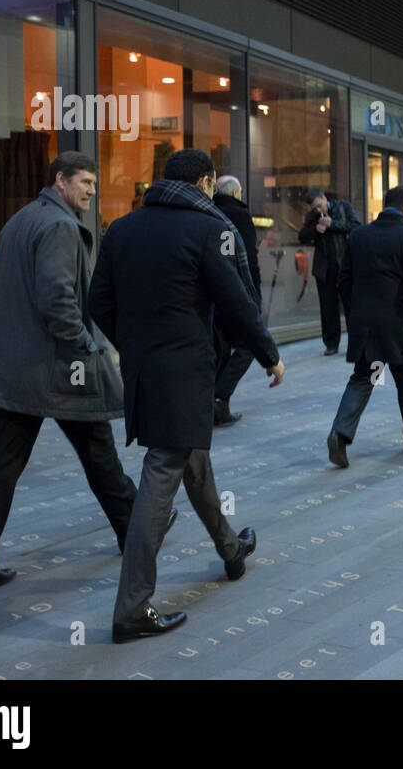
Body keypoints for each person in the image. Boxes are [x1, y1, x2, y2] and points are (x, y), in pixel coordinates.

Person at [91, 149, 285, 643]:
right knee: (164, 469)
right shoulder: (205, 231)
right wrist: (268, 354)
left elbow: (99, 303)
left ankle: (229, 549)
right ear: (204, 182)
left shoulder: (123, 230)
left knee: (192, 459)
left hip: (143, 369)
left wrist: (133, 345)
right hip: (185, 371)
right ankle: (132, 607)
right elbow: (236, 302)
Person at [0, 152, 149, 595]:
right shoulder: (62, 227)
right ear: (60, 180)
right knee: (97, 450)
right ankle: (139, 528)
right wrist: (86, 345)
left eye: (93, 184)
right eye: (84, 182)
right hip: (61, 370)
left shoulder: (17, 221)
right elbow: (58, 304)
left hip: (15, 372)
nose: (91, 190)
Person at [326, 185, 403, 467]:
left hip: (366, 324)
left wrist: (356, 315)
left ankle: (340, 433)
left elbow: (344, 281)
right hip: (399, 325)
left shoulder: (359, 236)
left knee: (365, 377)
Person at [213, 175, 262, 426]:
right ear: (234, 193)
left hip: (213, 290)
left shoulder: (209, 210)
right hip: (238, 289)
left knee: (221, 348)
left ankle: (218, 407)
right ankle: (219, 396)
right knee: (249, 343)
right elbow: (249, 257)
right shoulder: (239, 215)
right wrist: (255, 294)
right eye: (240, 191)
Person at [298, 188, 361, 355]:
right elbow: (302, 236)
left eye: (319, 205)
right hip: (324, 268)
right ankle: (331, 344)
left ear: (324, 198)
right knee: (327, 308)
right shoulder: (312, 217)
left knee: (351, 307)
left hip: (346, 265)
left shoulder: (343, 208)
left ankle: (356, 343)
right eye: (314, 208)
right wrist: (315, 230)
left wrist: (333, 224)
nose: (318, 210)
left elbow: (356, 226)